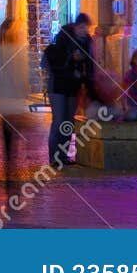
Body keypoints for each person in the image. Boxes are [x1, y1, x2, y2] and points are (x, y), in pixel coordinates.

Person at [44, 13, 96, 167]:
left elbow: (90, 65)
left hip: (73, 87)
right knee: (59, 120)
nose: (84, 31)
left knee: (68, 123)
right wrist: (71, 59)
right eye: (82, 27)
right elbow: (57, 61)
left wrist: (90, 87)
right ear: (76, 26)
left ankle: (63, 156)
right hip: (57, 86)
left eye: (86, 28)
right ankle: (54, 158)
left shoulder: (87, 42)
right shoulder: (64, 37)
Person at [0, 16, 31, 201]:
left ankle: (10, 180)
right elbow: (25, 84)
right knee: (17, 148)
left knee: (9, 149)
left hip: (5, 108)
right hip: (15, 108)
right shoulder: (19, 53)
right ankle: (15, 180)